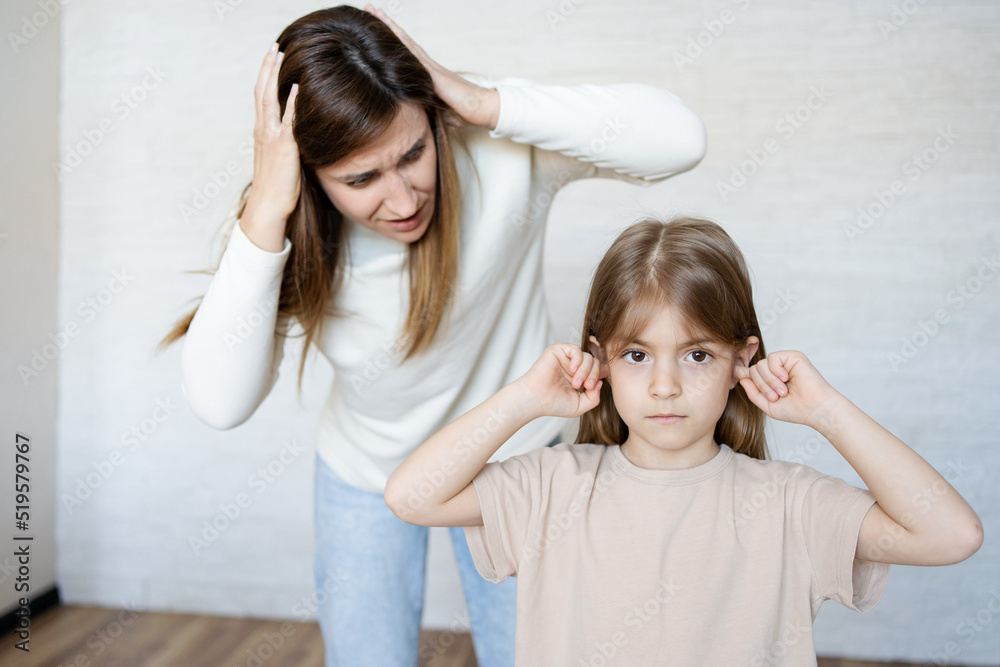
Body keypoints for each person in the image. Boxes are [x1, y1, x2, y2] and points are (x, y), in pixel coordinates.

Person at [157, 4, 707, 666]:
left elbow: (680, 139)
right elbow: (220, 401)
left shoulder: (498, 153)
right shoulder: (292, 226)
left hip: (517, 462)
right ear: (309, 174)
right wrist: (266, 207)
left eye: (413, 153)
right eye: (361, 179)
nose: (403, 198)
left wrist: (485, 101)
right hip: (365, 472)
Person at [385, 216, 984, 665]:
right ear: (602, 360)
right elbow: (411, 496)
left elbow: (951, 534)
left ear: (741, 361)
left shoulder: (787, 504)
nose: (666, 386)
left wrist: (827, 410)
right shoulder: (552, 484)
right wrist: (524, 398)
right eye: (638, 355)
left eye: (698, 355)